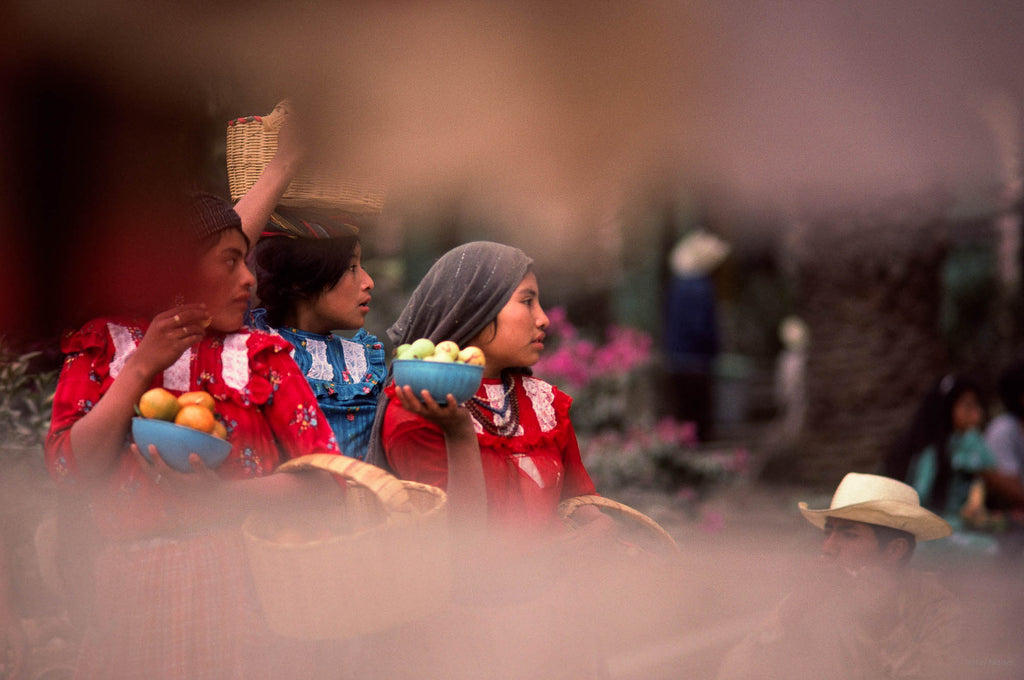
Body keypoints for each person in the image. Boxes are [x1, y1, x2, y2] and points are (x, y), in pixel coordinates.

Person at [44, 193, 346, 680]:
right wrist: (141, 367)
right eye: (229, 262)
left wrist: (223, 497)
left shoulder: (261, 356)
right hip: (133, 600)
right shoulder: (105, 346)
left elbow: (329, 480)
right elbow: (67, 470)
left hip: (251, 595)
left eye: (245, 262)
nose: (248, 278)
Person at [231, 104, 386, 460]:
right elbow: (221, 255)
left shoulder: (368, 358)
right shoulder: (251, 343)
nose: (369, 282)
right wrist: (285, 162)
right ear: (302, 281)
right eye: (351, 267)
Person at [717, 472, 960, 680]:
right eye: (828, 533)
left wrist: (885, 624)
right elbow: (733, 673)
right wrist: (791, 612)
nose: (828, 548)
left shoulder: (934, 605)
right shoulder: (815, 596)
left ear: (894, 550)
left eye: (849, 535)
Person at [662, 229, 729, 441]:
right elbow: (701, 326)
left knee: (685, 412)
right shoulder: (701, 287)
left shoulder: (677, 285)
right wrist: (714, 347)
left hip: (678, 358)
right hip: (697, 359)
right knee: (700, 414)